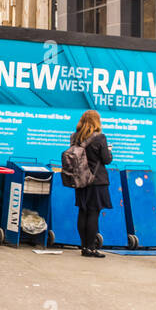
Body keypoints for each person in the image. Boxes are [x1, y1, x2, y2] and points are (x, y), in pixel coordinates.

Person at [70, 109, 112, 258]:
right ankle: (91, 248)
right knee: (94, 213)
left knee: (83, 212)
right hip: (96, 181)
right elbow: (106, 159)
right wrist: (109, 151)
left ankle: (84, 247)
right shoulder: (100, 138)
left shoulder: (75, 137)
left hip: (81, 180)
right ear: (97, 121)